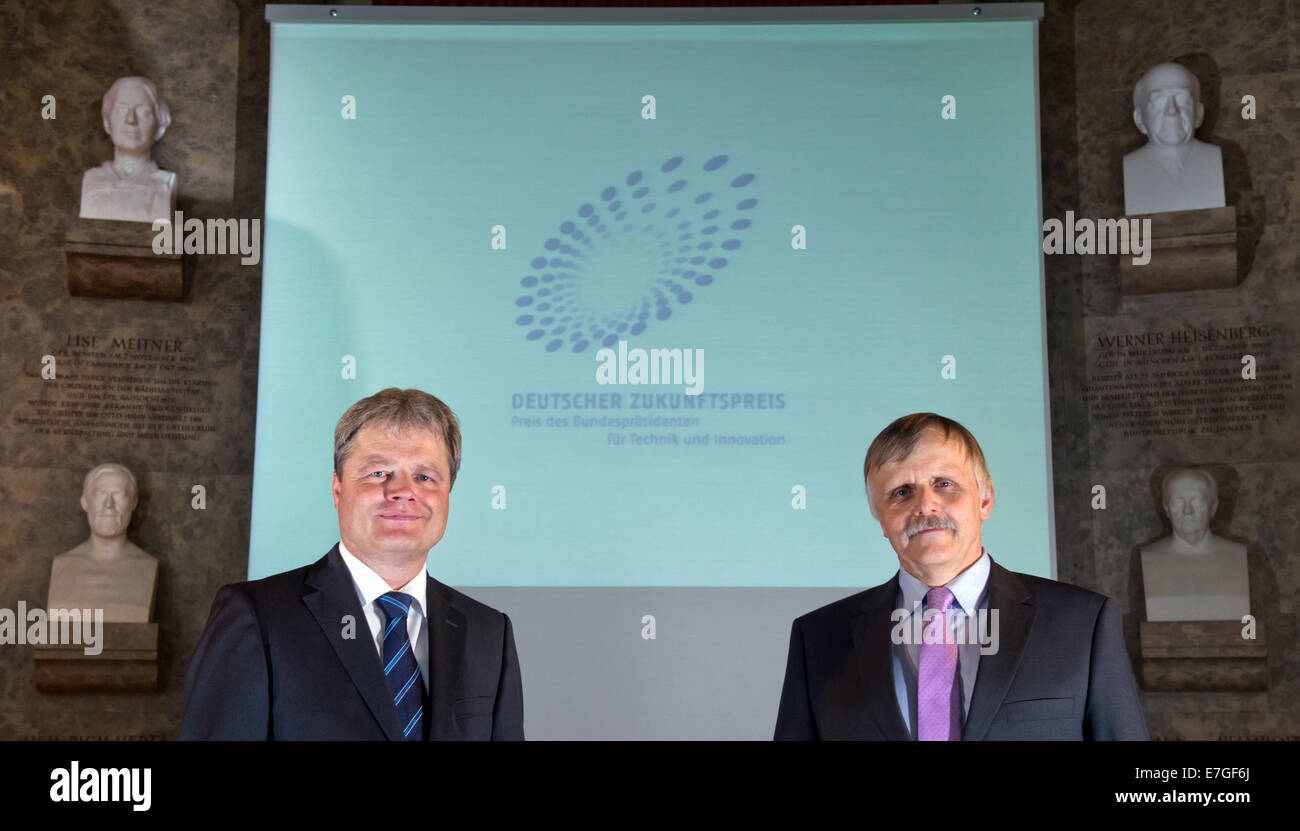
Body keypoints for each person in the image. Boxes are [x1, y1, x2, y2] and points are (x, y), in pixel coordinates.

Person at [774, 413, 1147, 740]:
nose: (925, 505)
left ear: (984, 500)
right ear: (882, 521)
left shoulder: (1083, 623)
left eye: (944, 484)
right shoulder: (819, 641)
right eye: (901, 492)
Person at [180, 388, 524, 740]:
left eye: (425, 477)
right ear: (338, 490)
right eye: (378, 473)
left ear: (447, 495)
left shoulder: (488, 633)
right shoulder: (256, 617)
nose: (403, 491)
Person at [47, 463, 158, 623]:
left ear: (133, 503)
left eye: (119, 494)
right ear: (85, 502)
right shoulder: (62, 565)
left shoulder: (147, 566)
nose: (109, 504)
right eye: (100, 493)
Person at [1140, 467, 1249, 621]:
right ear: (1166, 508)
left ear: (1213, 506)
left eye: (1196, 500)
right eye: (1178, 500)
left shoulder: (1238, 556)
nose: (1187, 510)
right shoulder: (1148, 558)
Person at [1122, 63, 1225, 215]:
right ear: (1140, 120)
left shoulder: (1213, 158)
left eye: (1182, 100)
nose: (1172, 110)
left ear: (1198, 114)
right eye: (1158, 102)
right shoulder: (1131, 165)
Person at [79, 76, 177, 223]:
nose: (131, 120)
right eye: (120, 110)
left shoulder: (165, 184)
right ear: (107, 122)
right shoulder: (91, 180)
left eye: (143, 112)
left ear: (159, 126)